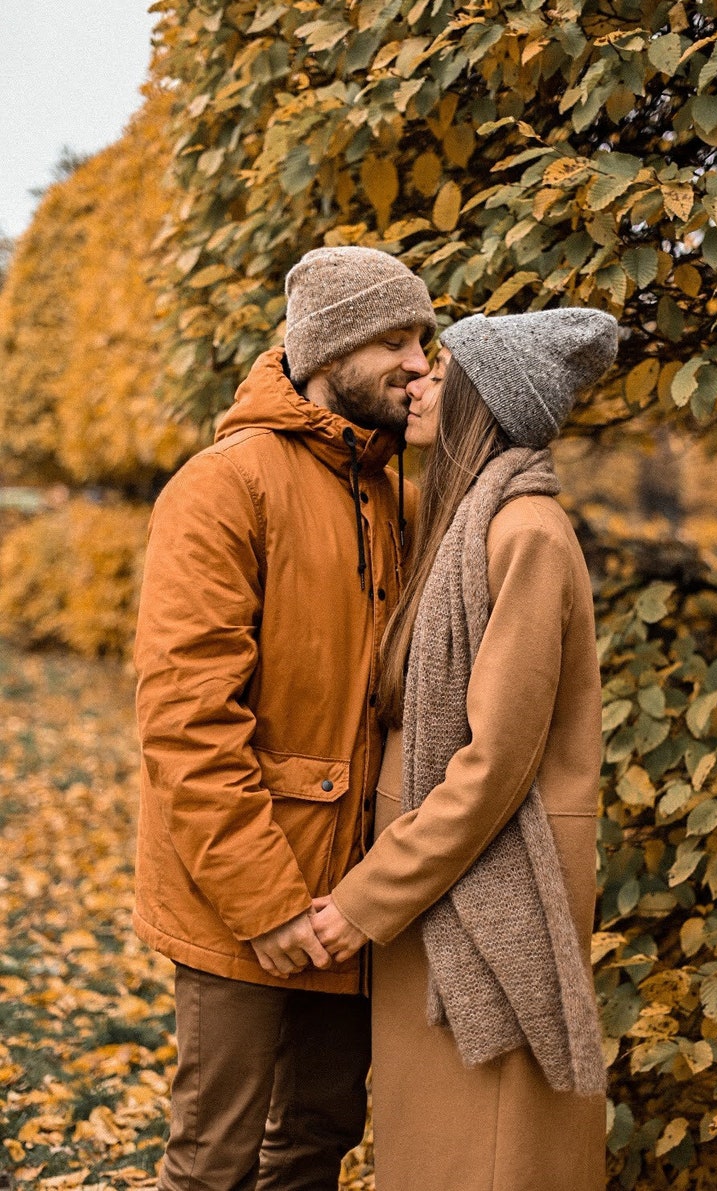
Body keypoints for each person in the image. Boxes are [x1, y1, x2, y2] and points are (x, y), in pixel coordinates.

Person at [133, 245, 436, 1191]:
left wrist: (362, 896)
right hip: (240, 892)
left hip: (349, 897)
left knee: (319, 1133)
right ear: (326, 351)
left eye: (424, 336)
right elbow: (188, 721)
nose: (419, 360)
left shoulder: (391, 488)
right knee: (213, 1156)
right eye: (392, 337)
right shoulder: (224, 485)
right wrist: (265, 904)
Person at [313, 307, 619, 1191]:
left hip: (487, 888)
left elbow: (493, 766)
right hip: (444, 888)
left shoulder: (524, 532)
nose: (418, 381)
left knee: (486, 1156)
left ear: (483, 401)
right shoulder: (461, 526)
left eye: (440, 372)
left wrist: (366, 897)